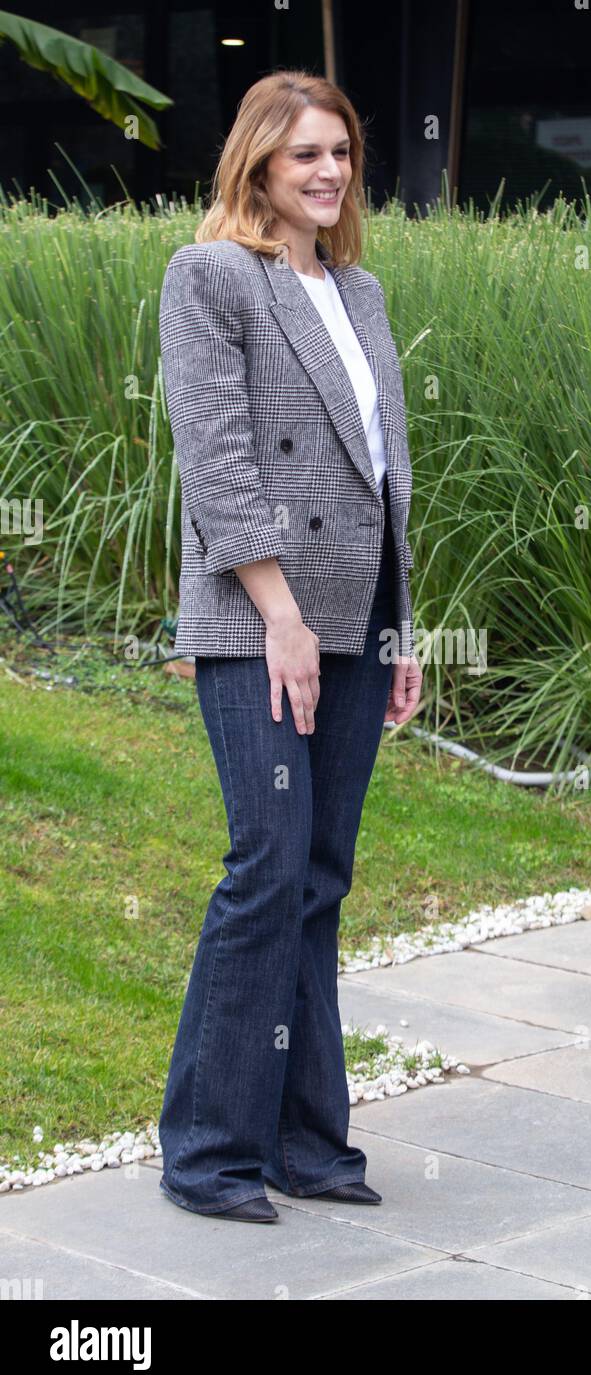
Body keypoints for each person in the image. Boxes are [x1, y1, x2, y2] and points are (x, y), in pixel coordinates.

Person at [156, 68, 422, 1223]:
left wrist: (402, 627)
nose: (328, 171)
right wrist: (281, 619)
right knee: (266, 867)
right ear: (257, 161)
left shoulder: (358, 290)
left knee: (319, 875)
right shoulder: (211, 275)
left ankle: (306, 1141)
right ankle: (209, 1150)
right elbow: (217, 461)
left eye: (341, 152)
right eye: (304, 152)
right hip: (258, 616)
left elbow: (384, 475)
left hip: (358, 615)